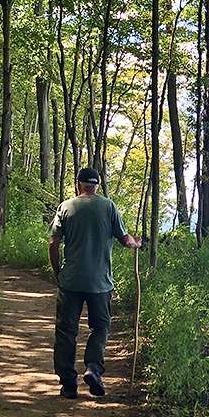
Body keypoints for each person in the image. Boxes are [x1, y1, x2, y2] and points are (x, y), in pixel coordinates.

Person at [48, 167, 142, 399]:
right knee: (100, 327)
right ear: (97, 186)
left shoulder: (66, 207)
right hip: (100, 283)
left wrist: (56, 272)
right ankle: (93, 368)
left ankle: (69, 384)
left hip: (70, 281)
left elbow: (53, 243)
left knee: (66, 332)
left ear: (78, 184)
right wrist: (136, 243)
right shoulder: (108, 206)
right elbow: (125, 240)